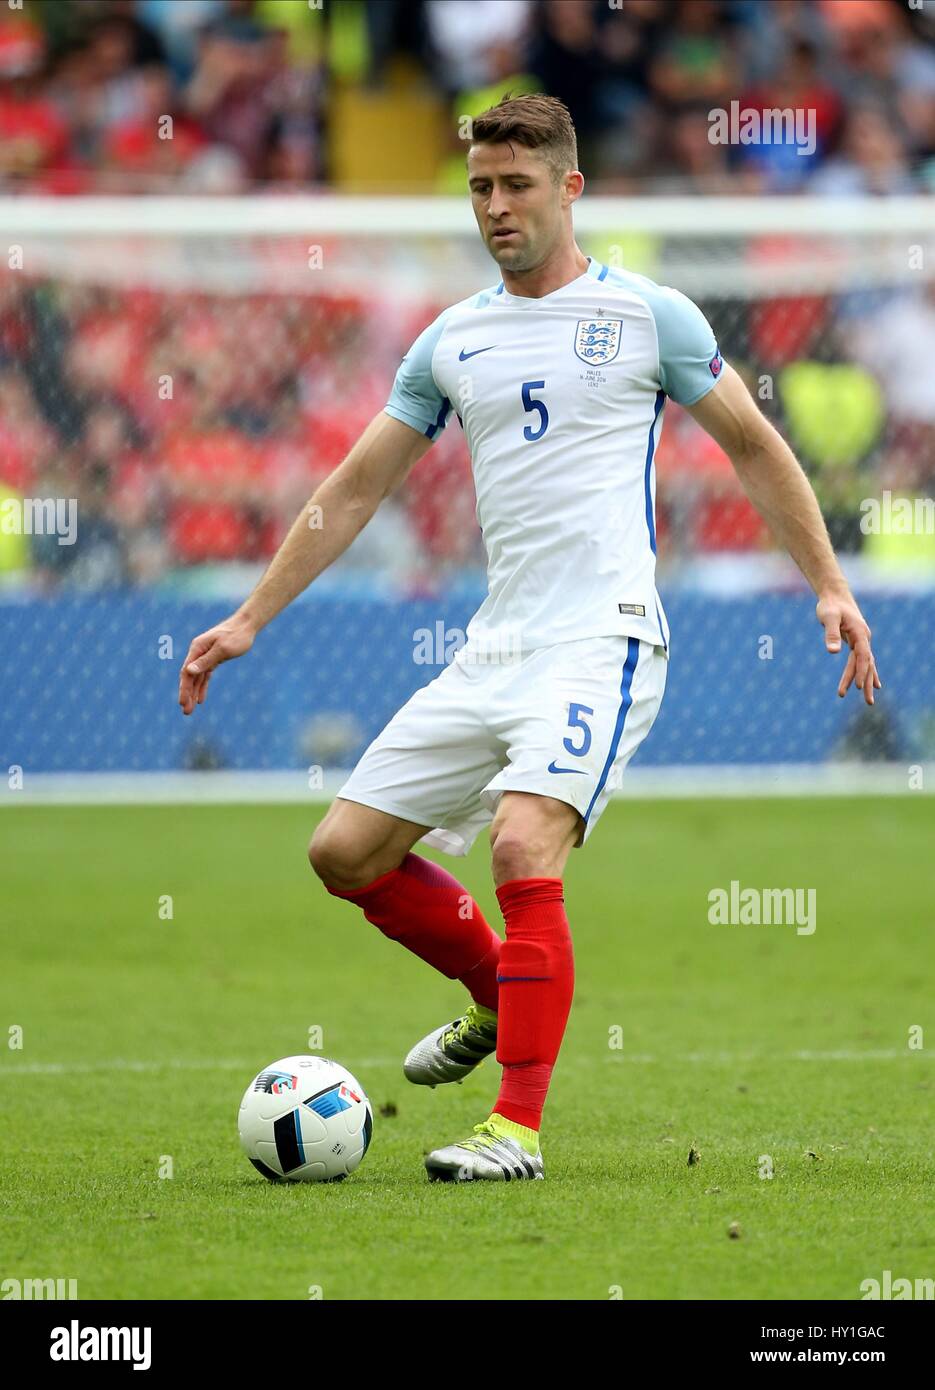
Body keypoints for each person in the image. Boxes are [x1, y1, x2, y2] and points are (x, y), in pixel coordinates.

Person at [178, 93, 880, 1183]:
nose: (494, 207)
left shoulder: (649, 316)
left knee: (519, 845)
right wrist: (249, 616)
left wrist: (827, 584)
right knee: (342, 853)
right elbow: (356, 484)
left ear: (568, 188)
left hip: (602, 639)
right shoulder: (452, 339)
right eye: (478, 189)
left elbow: (751, 445)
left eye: (514, 186)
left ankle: (513, 1130)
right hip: (494, 647)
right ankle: (494, 991)